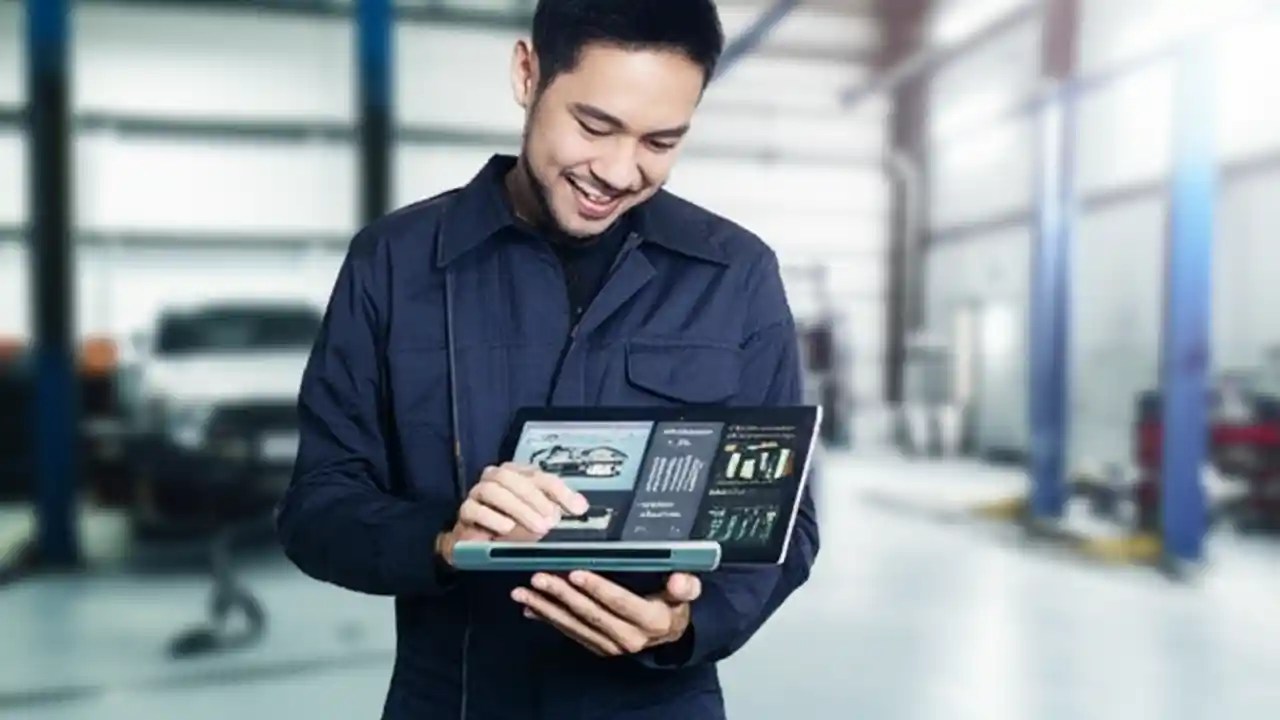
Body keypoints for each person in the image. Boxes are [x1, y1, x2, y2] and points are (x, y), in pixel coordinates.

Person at [276, 1, 820, 718]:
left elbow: (785, 522)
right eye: (594, 126)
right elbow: (319, 505)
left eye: (661, 141)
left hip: (658, 704)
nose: (620, 171)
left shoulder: (735, 274)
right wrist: (443, 538)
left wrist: (686, 623)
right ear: (527, 74)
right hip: (457, 700)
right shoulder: (397, 263)